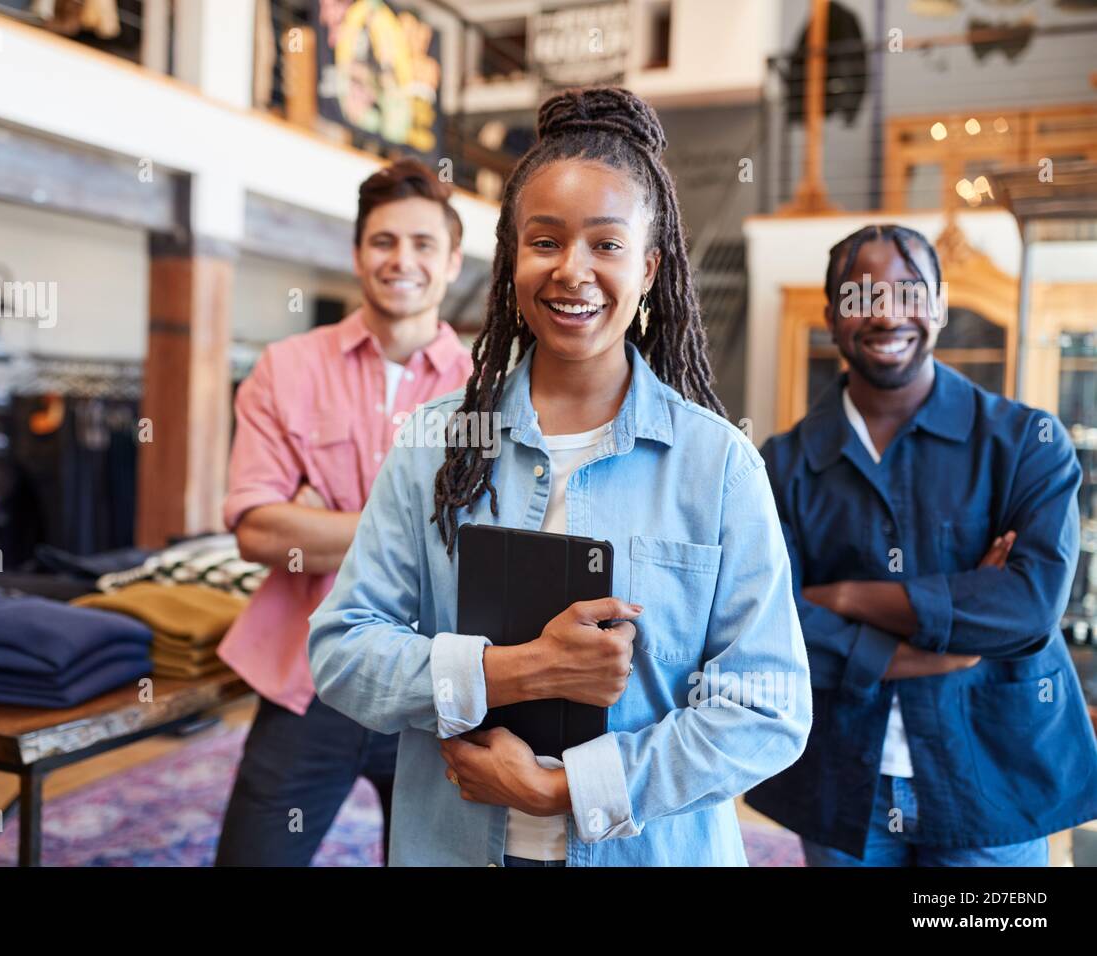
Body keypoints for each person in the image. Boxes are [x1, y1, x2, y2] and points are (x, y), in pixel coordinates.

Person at [308, 87, 811, 867]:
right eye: (545, 241)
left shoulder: (717, 466)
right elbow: (343, 651)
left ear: (649, 267)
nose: (572, 271)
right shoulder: (439, 444)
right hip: (453, 845)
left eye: (606, 245)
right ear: (513, 257)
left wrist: (573, 790)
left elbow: (767, 708)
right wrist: (515, 671)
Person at [745, 223, 1097, 866]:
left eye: (910, 292)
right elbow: (768, 621)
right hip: (839, 782)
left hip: (991, 779)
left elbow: (1028, 607)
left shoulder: (1026, 444)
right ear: (831, 316)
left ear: (939, 305)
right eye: (860, 295)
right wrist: (924, 647)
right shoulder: (780, 464)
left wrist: (847, 595)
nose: (886, 313)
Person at [213, 159, 473, 866]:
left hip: (437, 687)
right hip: (312, 678)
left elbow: (487, 545)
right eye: (384, 241)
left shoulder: (491, 392)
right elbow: (259, 530)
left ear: (453, 261)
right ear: (358, 253)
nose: (402, 260)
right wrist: (410, 527)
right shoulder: (286, 367)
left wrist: (326, 524)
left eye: (424, 244)